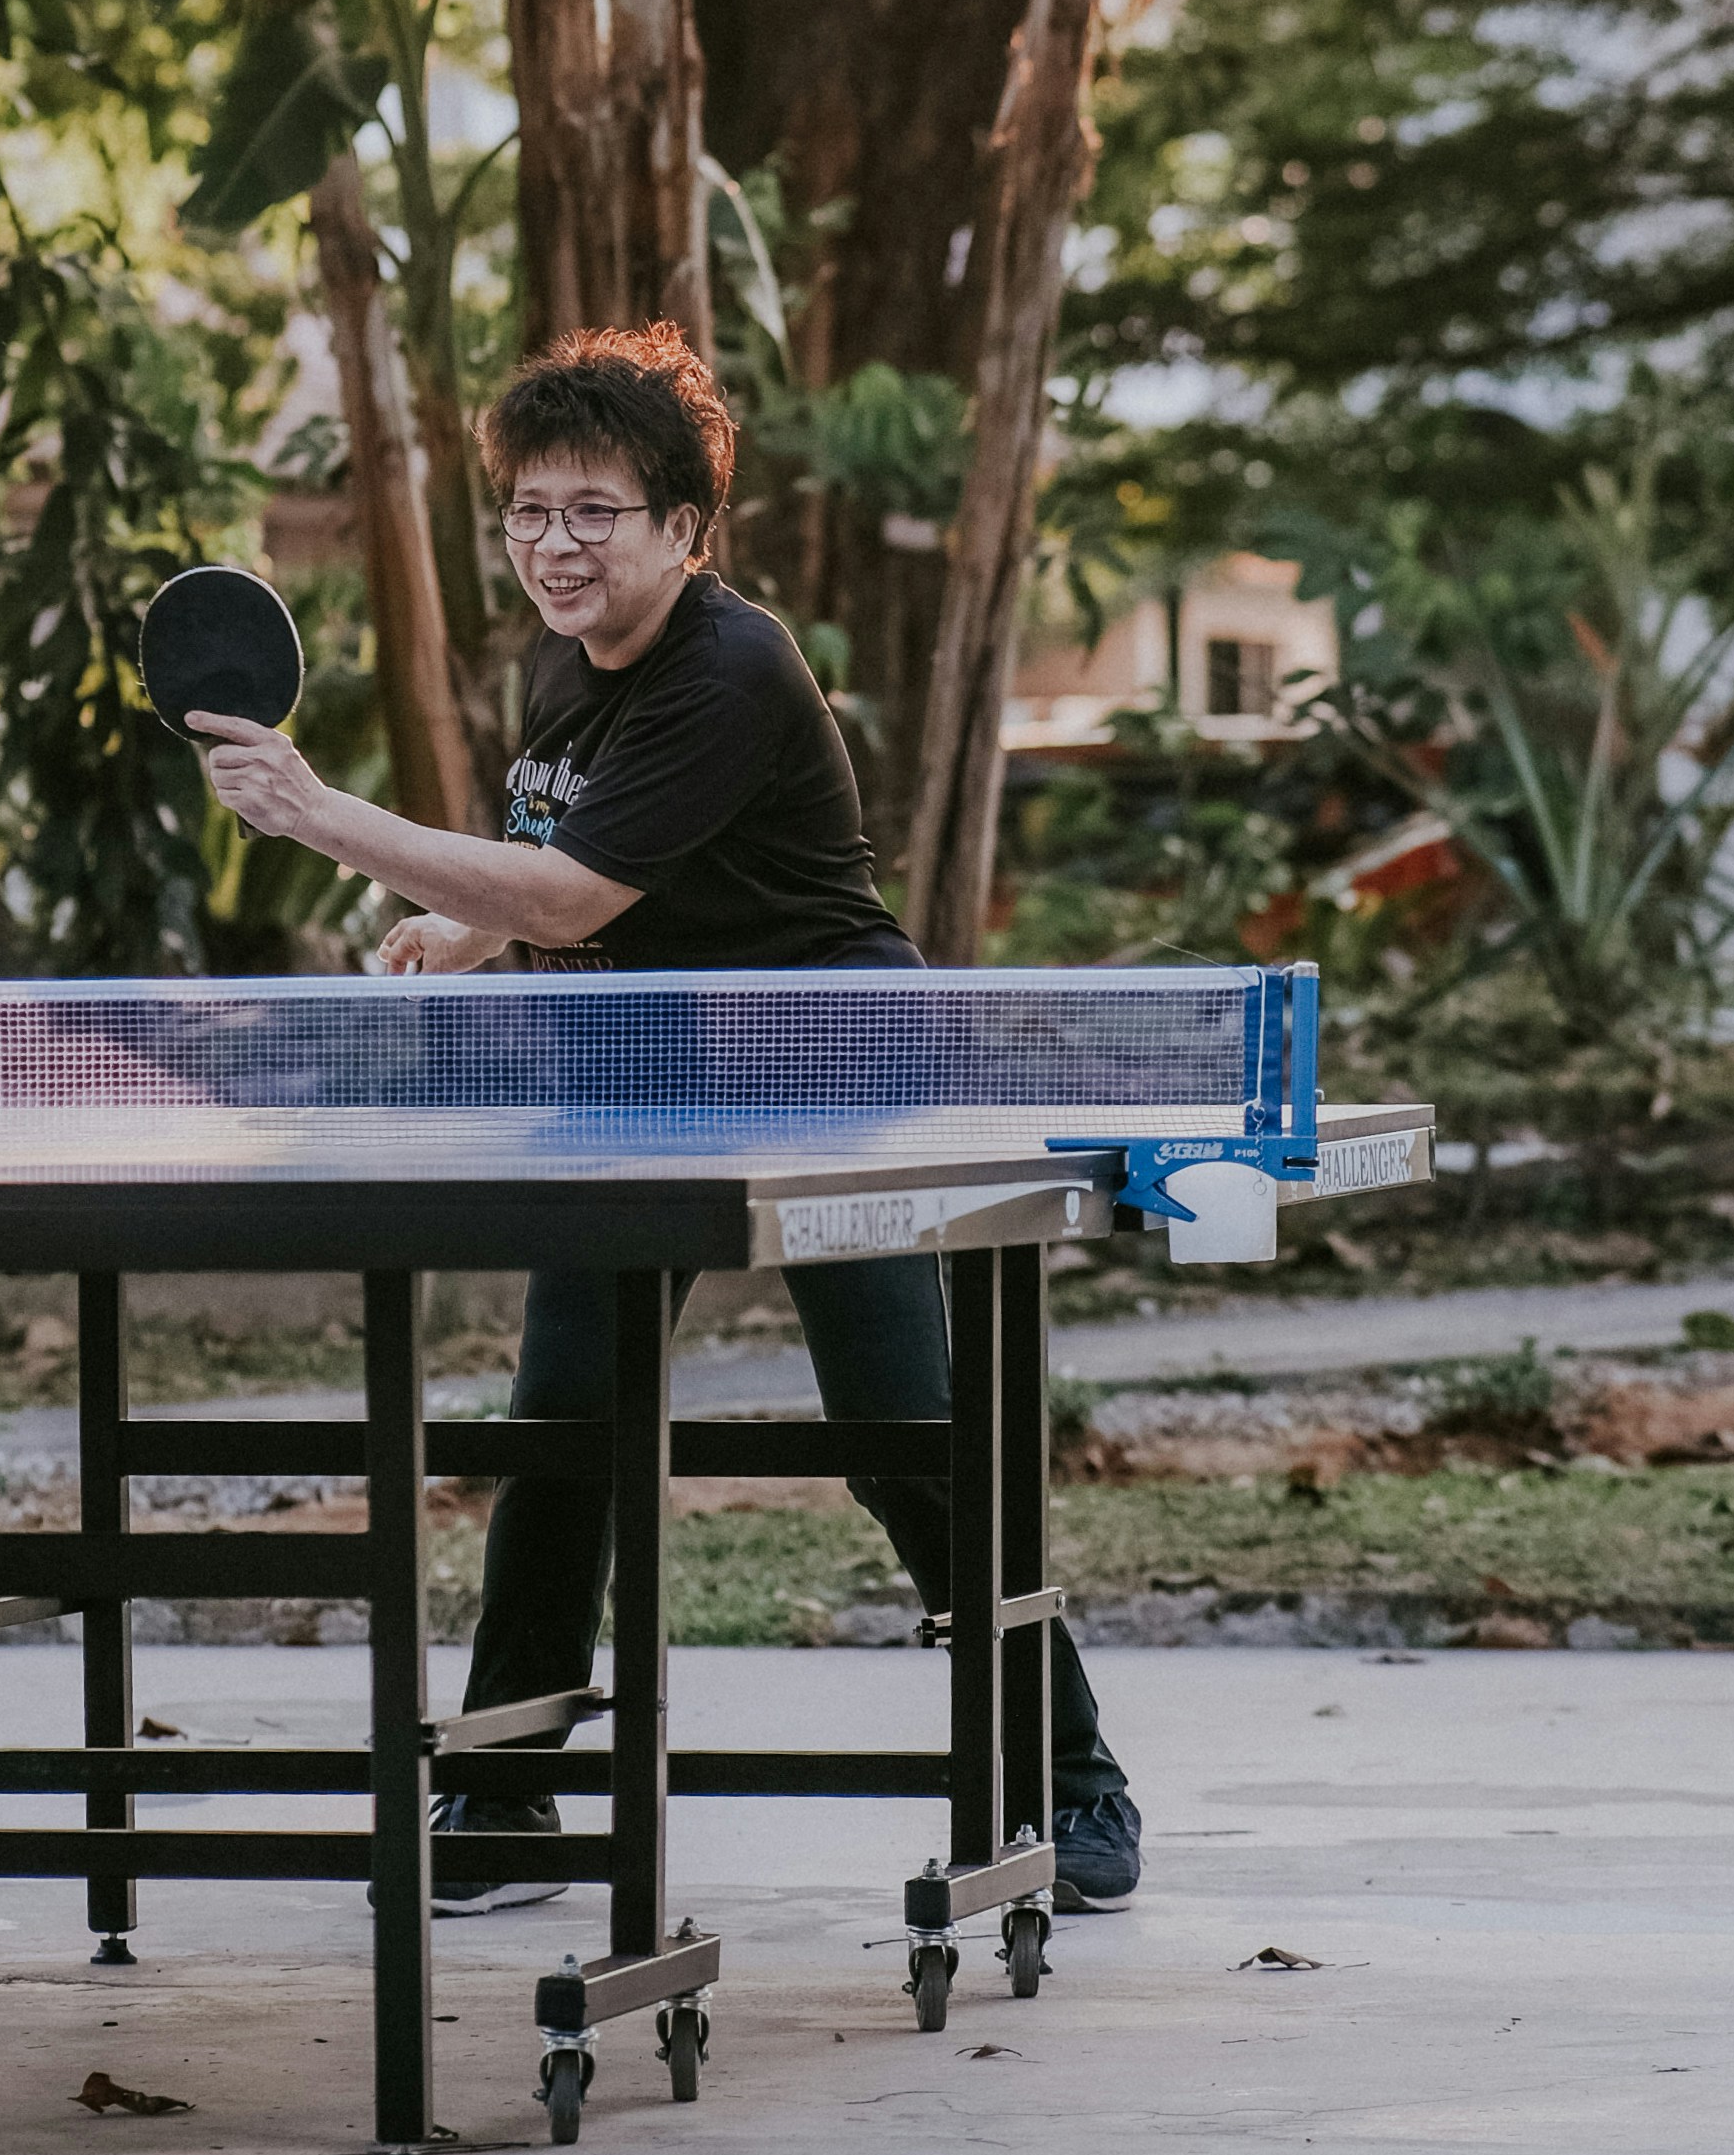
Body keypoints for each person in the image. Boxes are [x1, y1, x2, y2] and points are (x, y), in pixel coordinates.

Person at [191, 318, 1141, 1919]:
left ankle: (1067, 1772)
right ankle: (503, 1802)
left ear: (684, 528)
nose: (553, 547)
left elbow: (573, 888)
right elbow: (555, 855)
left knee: (905, 1441)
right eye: (528, 511)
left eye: (594, 513)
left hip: (831, 1079)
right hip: (644, 1088)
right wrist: (465, 930)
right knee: (558, 1433)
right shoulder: (569, 657)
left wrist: (327, 817)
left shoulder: (727, 667)